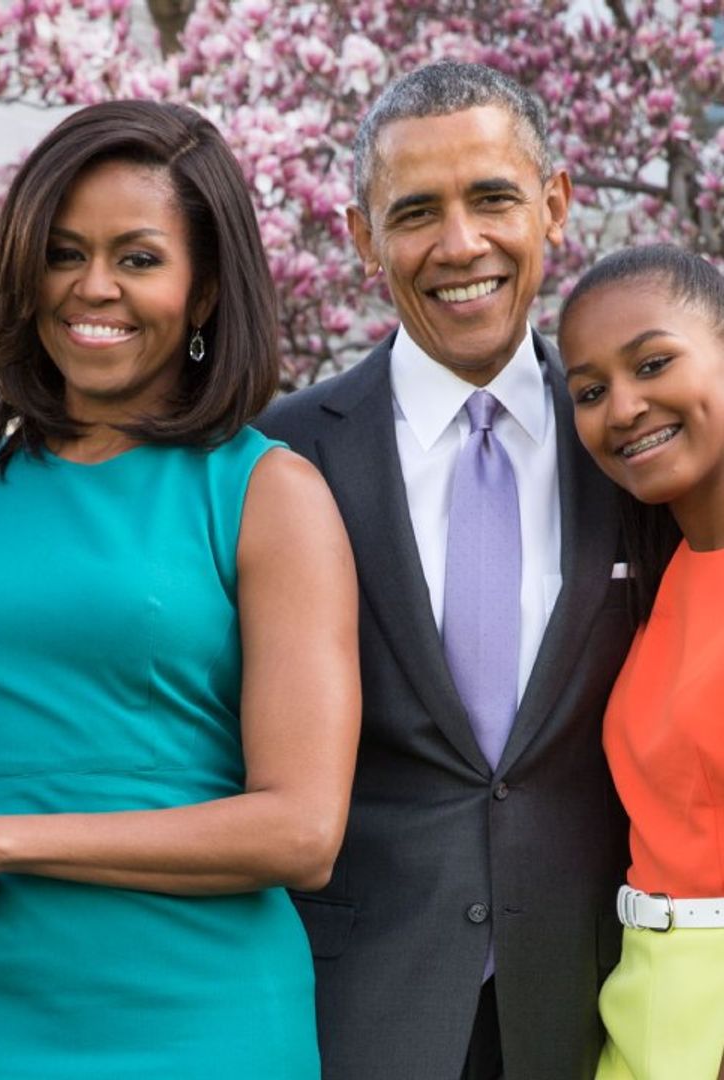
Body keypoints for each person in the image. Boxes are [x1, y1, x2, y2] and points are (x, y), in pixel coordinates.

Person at [0, 99, 361, 1078]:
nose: (94, 287)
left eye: (138, 258)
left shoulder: (268, 493)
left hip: (200, 1016)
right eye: (63, 254)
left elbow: (302, 830)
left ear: (203, 292)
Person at [258, 61, 633, 1079]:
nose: (460, 244)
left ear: (555, 206)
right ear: (361, 239)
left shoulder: (635, 447)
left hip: (594, 1007)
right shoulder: (283, 458)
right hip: (355, 1009)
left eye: (494, 198)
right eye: (416, 212)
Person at [558, 244, 724, 1080]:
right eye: (589, 392)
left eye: (653, 363)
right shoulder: (669, 571)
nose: (622, 408)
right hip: (641, 1006)